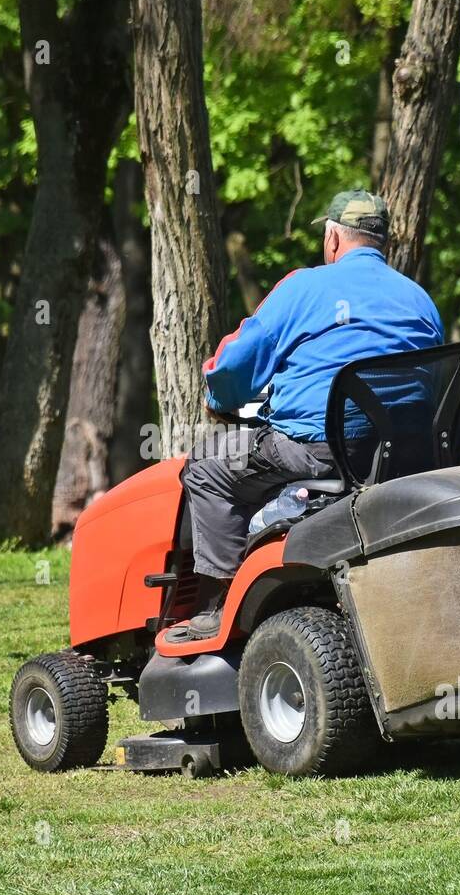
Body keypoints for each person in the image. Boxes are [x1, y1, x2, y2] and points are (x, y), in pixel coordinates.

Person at [169, 190, 444, 644]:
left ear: (333, 237)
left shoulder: (304, 287)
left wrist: (218, 398)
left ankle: (219, 609)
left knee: (207, 468)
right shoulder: (419, 300)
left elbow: (234, 366)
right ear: (383, 243)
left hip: (319, 453)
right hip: (405, 457)